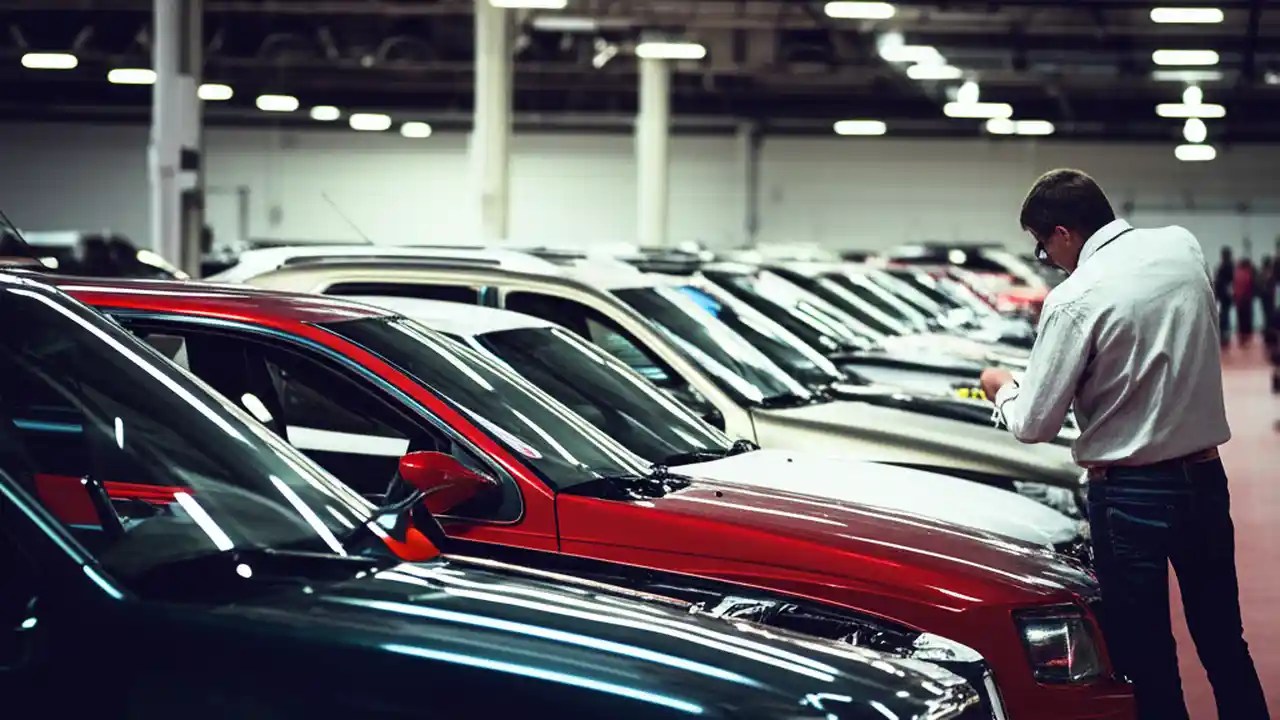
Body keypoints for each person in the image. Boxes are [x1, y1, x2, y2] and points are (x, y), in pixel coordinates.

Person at [979, 169, 1269, 720]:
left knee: (1150, 659)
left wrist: (1004, 389)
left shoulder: (1073, 299)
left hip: (1130, 495)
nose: (1049, 259)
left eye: (1044, 248)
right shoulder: (1182, 247)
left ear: (1062, 233)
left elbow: (1035, 423)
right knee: (1225, 644)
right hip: (1204, 479)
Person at [1215, 246, 1235, 346]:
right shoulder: (1231, 266)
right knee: (1225, 315)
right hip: (1227, 295)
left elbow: (1219, 281)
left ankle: (1224, 335)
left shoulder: (1223, 267)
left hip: (1223, 295)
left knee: (1224, 315)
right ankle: (1225, 335)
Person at [1235, 258, 1258, 345]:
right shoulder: (1248, 273)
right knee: (1247, 318)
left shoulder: (1237, 273)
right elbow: (1250, 285)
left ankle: (1241, 337)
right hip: (1246, 298)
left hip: (1239, 299)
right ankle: (1247, 337)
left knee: (1240, 318)